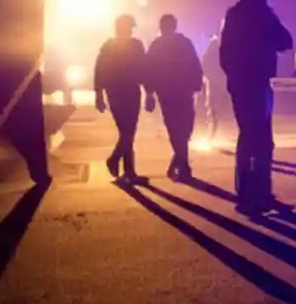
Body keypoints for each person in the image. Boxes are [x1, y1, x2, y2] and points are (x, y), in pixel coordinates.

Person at [219, 0, 293, 213]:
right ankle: (256, 194)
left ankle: (251, 193)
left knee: (250, 138)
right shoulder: (260, 14)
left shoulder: (234, 15)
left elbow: (225, 54)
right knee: (259, 140)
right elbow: (285, 41)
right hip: (255, 83)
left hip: (243, 83)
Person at [95, 14, 152, 183]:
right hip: (128, 92)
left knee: (127, 132)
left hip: (117, 93)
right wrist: (149, 92)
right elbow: (143, 69)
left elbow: (99, 71)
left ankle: (129, 172)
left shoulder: (109, 46)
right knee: (128, 132)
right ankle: (116, 160)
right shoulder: (135, 45)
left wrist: (99, 94)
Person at [147, 14, 203, 181]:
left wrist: (149, 93)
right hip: (176, 92)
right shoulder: (179, 43)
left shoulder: (161, 45)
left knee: (180, 129)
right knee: (181, 128)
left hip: (173, 92)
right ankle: (183, 165)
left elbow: (148, 70)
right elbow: (195, 64)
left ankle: (179, 160)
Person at [200, 32, 227, 139]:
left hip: (214, 83)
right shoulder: (224, 51)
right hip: (220, 82)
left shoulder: (210, 53)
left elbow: (204, 66)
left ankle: (211, 133)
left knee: (212, 108)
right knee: (213, 108)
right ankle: (211, 133)